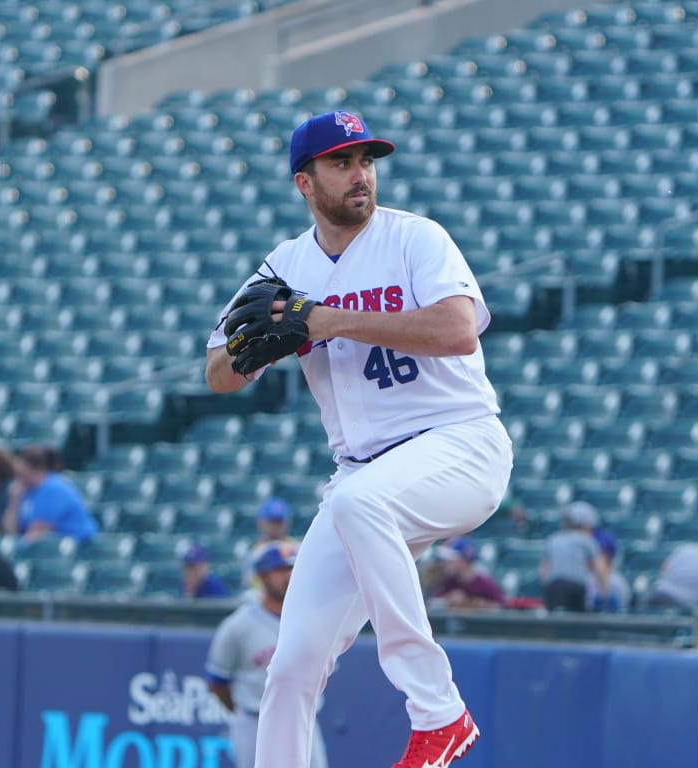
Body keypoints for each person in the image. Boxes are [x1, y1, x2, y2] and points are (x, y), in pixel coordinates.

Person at [203, 110, 511, 767]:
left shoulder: (415, 239)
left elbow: (459, 329)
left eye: (366, 160)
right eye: (341, 163)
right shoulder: (284, 268)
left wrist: (331, 320)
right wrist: (264, 345)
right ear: (304, 183)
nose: (360, 174)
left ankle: (439, 712)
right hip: (362, 473)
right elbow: (216, 372)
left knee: (357, 503)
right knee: (291, 665)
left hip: (458, 443)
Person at [207, 543, 329, 768]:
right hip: (255, 721)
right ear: (262, 575)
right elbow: (217, 683)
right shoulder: (238, 626)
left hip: (303, 719)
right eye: (280, 570)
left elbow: (324, 671)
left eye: (292, 569)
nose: (288, 576)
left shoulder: (314, 619)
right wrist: (245, 708)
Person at [6, 446, 98, 545]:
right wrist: (14, 502)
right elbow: (10, 532)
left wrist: (14, 547)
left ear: (34, 469)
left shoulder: (53, 488)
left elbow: (37, 532)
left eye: (20, 474)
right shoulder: (25, 491)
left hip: (77, 546)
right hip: (49, 547)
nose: (16, 480)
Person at [540, 502, 612, 612]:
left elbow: (543, 572)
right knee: (577, 625)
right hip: (576, 587)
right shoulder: (587, 540)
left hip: (554, 587)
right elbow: (600, 569)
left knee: (553, 625)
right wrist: (605, 593)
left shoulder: (554, 539)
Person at [434, 538, 505, 612]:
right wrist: (448, 599)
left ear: (464, 561)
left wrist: (470, 602)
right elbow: (433, 602)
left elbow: (503, 608)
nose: (445, 563)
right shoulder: (449, 581)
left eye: (450, 559)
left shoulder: (485, 583)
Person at [242, 497, 295, 588]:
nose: (275, 526)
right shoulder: (254, 553)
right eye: (271, 522)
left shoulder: (296, 548)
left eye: (278, 522)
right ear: (261, 523)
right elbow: (249, 584)